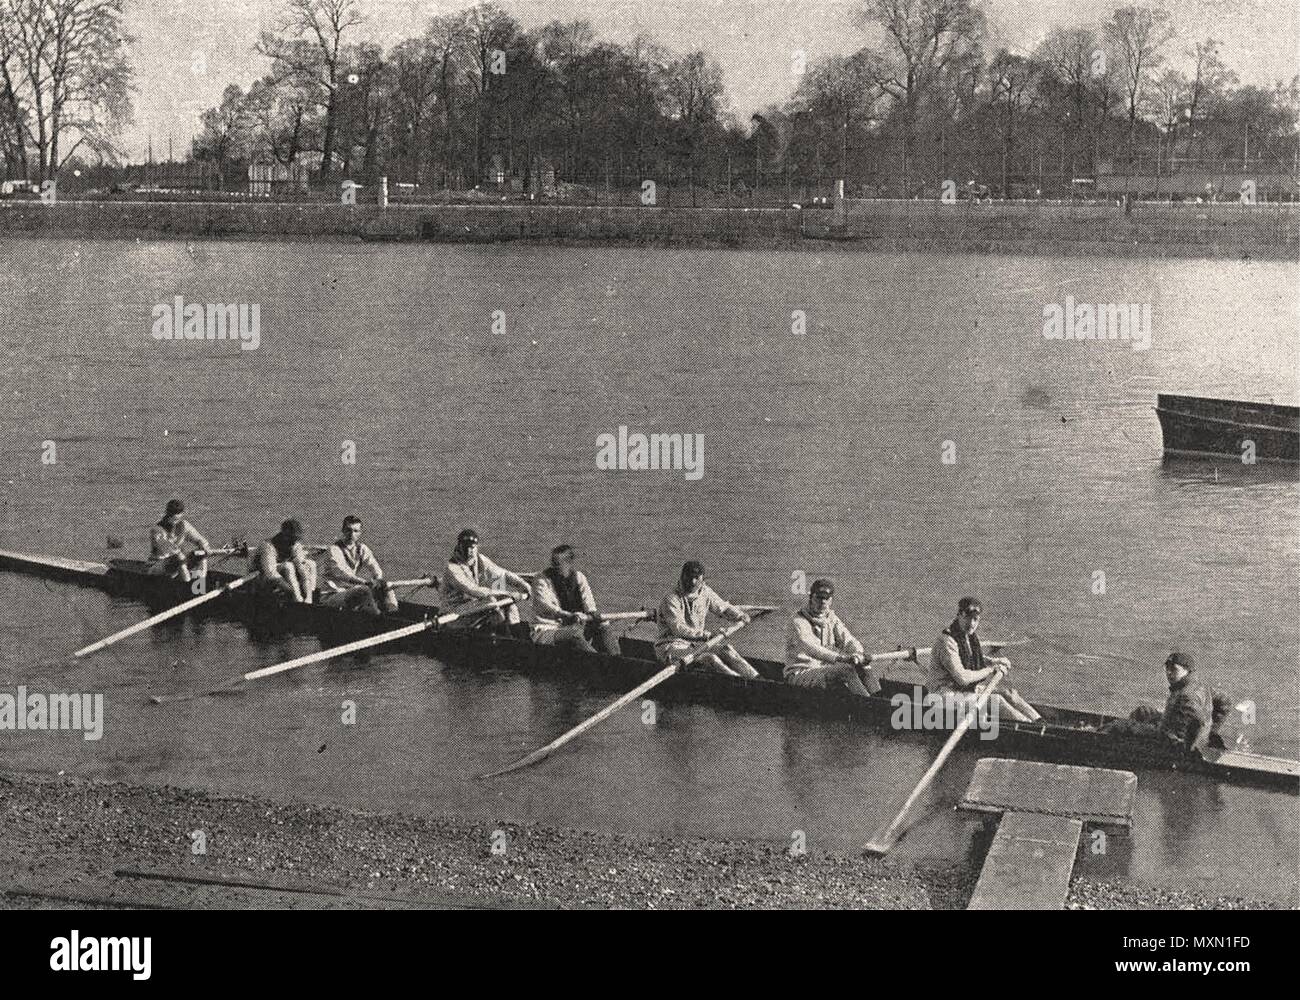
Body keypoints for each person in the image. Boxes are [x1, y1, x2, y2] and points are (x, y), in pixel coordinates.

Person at [926, 597, 1042, 723]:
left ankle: (1040, 722)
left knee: (1010, 693)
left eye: (975, 619)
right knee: (997, 701)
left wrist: (992, 662)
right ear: (959, 615)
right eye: (967, 618)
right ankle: (1033, 729)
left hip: (961, 691)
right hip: (943, 696)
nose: (971, 624)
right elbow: (963, 678)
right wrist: (991, 670)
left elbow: (969, 659)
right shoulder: (947, 642)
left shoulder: (967, 636)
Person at [1103, 652, 1230, 752]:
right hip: (1173, 729)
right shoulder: (1199, 686)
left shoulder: (1186, 695)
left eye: (1174, 669)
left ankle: (1118, 746)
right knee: (1143, 712)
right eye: (1167, 668)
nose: (1168, 673)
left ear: (1187, 670)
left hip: (1169, 740)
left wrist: (1192, 748)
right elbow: (1225, 703)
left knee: (1121, 726)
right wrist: (1212, 732)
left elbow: (1199, 721)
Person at [654, 561, 756, 678]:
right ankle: (742, 684)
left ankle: (756, 678)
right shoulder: (671, 599)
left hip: (694, 645)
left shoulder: (705, 591)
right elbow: (679, 629)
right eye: (689, 577)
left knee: (726, 649)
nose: (692, 582)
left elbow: (723, 608)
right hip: (671, 647)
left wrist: (740, 615)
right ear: (682, 576)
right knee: (710, 658)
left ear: (702, 578)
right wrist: (708, 635)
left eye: (696, 578)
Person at [784, 579, 878, 697]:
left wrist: (858, 653)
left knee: (864, 666)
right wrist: (840, 658)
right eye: (818, 598)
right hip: (800, 675)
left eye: (826, 598)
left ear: (831, 600)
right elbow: (811, 647)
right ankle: (869, 705)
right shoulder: (798, 621)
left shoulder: (831, 618)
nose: (822, 602)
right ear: (811, 597)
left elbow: (849, 640)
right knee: (847, 670)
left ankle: (878, 696)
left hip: (823, 671)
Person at [532, 544, 622, 656]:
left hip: (575, 626)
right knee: (574, 633)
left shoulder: (579, 577)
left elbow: (590, 606)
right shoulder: (541, 580)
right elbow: (547, 606)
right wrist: (570, 615)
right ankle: (600, 662)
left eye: (558, 565)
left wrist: (594, 616)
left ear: (569, 563)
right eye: (553, 563)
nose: (554, 567)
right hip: (548, 630)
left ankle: (616, 659)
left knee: (603, 625)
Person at [440, 529, 532, 638]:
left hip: (472, 608)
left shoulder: (480, 559)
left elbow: (501, 573)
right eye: (466, 547)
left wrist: (523, 584)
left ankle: (519, 639)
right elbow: (474, 590)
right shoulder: (452, 568)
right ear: (459, 546)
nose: (469, 550)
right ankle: (503, 639)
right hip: (453, 615)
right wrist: (507, 593)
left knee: (509, 605)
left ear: (477, 547)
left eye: (472, 547)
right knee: (492, 601)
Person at [319, 516, 396, 615]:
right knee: (363, 591)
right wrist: (364, 582)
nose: (351, 534)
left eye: (355, 531)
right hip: (332, 595)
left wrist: (378, 579)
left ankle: (393, 613)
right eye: (348, 530)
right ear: (343, 530)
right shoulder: (334, 550)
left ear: (360, 533)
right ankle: (378, 619)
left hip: (350, 592)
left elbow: (375, 567)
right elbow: (343, 573)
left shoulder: (362, 548)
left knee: (387, 586)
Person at [250, 519, 317, 604]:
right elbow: (271, 574)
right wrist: (291, 590)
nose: (295, 541)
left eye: (296, 538)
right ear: (284, 535)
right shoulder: (268, 546)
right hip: (260, 581)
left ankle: (309, 599)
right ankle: (298, 600)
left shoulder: (295, 544)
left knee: (311, 564)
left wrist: (308, 596)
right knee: (288, 567)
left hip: (284, 579)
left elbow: (302, 568)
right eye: (292, 538)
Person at [148, 499, 211, 584]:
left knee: (201, 555)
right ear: (167, 515)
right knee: (179, 557)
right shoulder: (157, 530)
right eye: (173, 519)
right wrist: (183, 555)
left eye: (178, 519)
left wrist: (203, 546)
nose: (175, 523)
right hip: (157, 565)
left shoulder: (184, 524)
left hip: (179, 564)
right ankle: (187, 586)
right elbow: (169, 550)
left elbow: (200, 539)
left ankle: (199, 585)